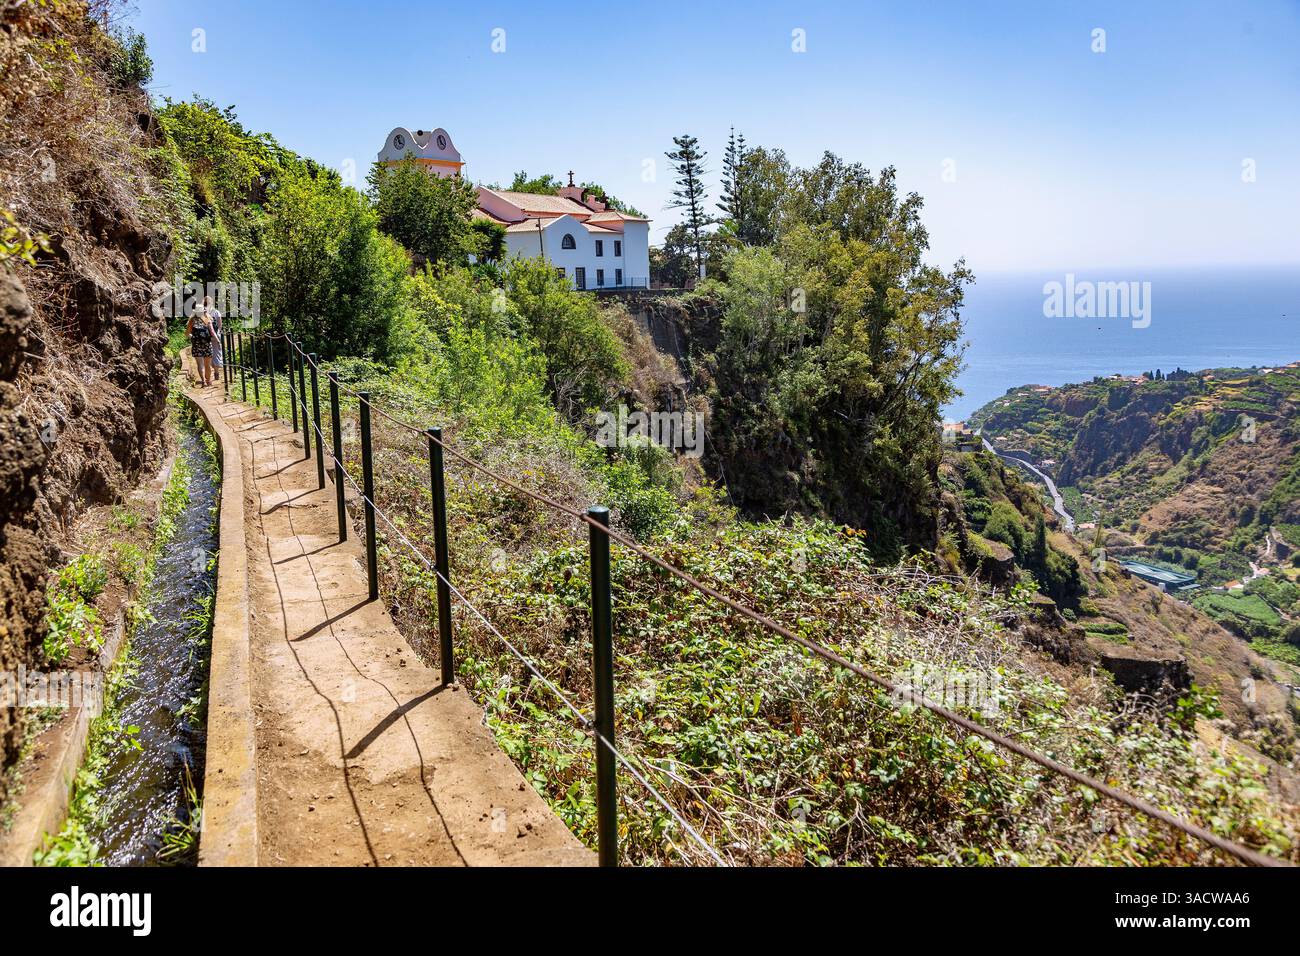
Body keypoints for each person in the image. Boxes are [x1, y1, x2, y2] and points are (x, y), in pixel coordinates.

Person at [187, 296, 217, 387]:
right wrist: (217, 340)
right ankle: (208, 381)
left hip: (196, 345)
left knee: (200, 364)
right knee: (207, 365)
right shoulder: (207, 319)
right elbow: (212, 332)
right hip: (207, 344)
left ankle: (203, 381)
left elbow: (187, 333)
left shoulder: (192, 320)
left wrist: (193, 337)